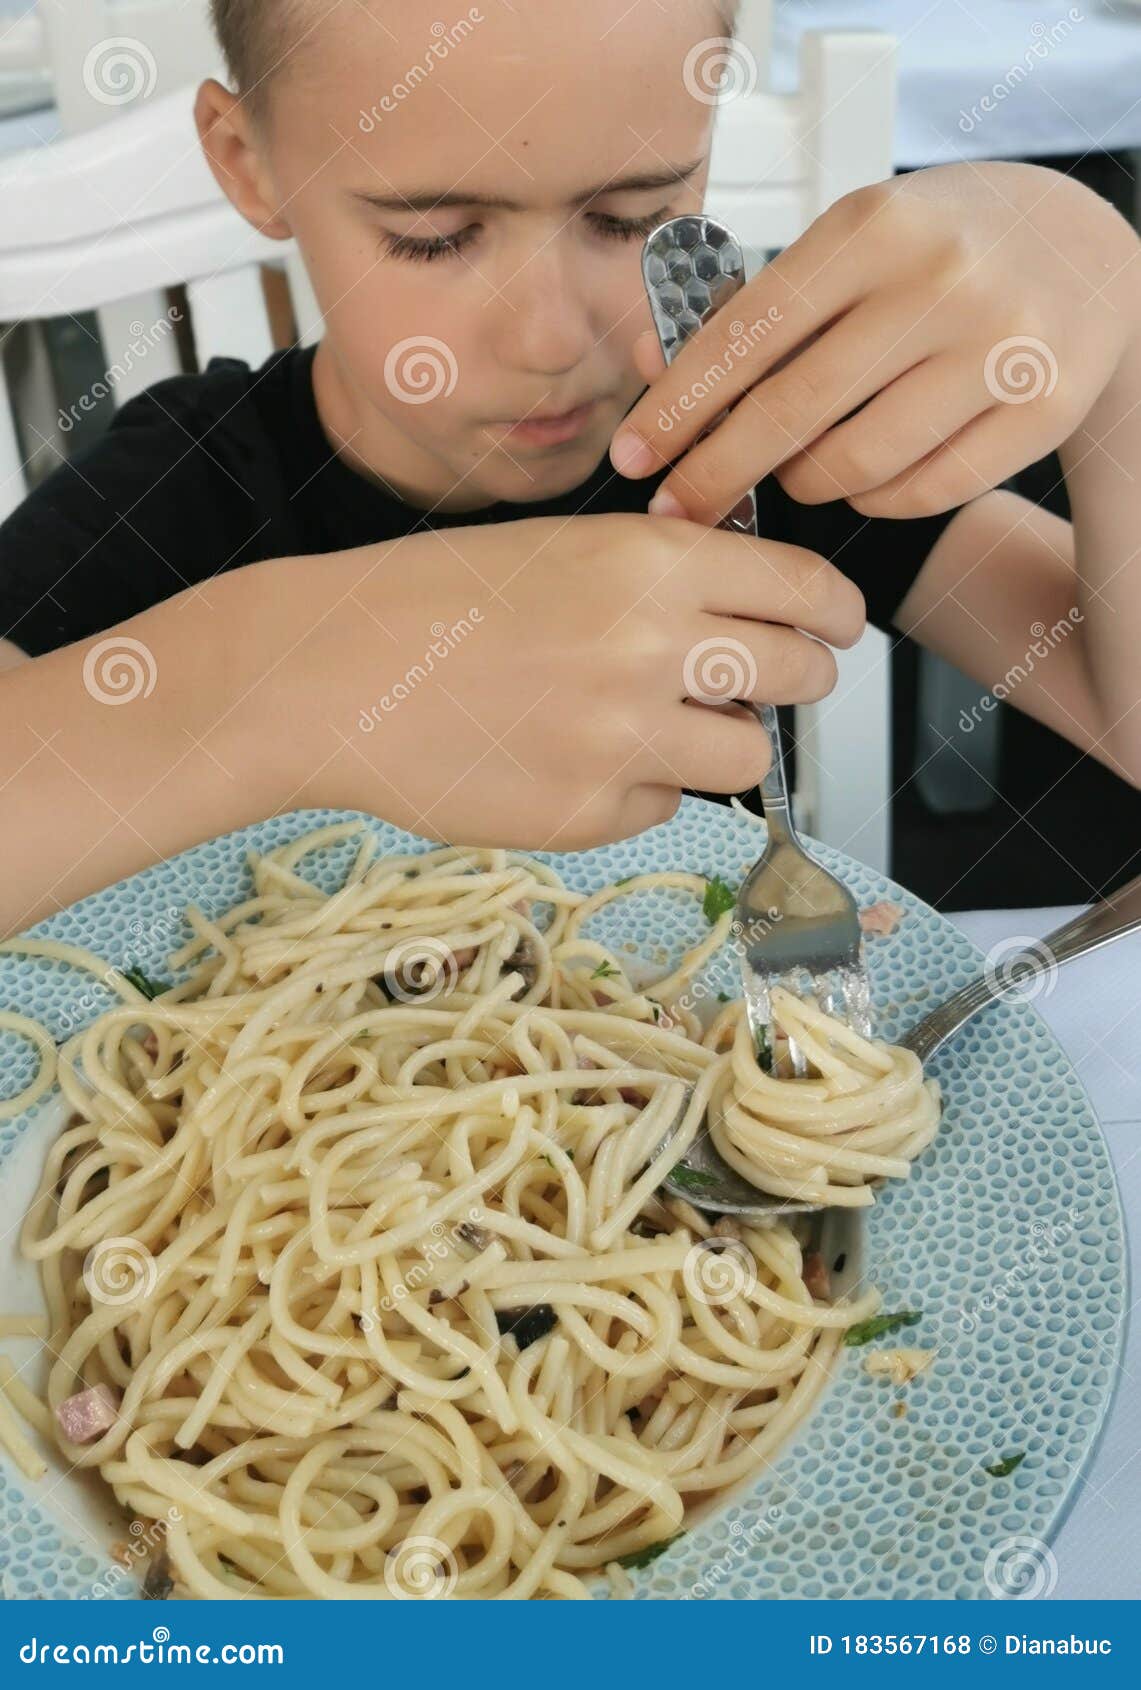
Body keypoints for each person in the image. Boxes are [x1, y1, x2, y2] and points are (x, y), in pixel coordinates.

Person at [1, 0, 1138, 940]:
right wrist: (283, 678)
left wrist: (1119, 331)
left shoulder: (751, 452)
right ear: (249, 164)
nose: (548, 339)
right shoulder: (180, 487)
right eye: (433, 237)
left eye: (630, 215)